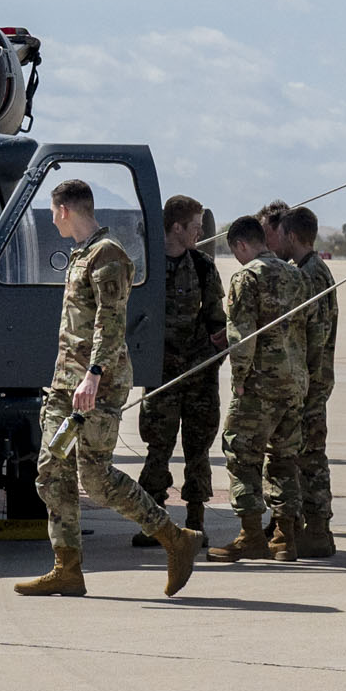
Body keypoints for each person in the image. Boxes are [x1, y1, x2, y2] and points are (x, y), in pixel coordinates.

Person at [15, 178, 200, 597]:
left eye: (53, 212)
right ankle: (67, 567)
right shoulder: (81, 254)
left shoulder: (108, 256)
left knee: (94, 479)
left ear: (64, 210)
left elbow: (110, 323)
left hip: (95, 385)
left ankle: (174, 538)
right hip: (67, 383)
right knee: (50, 472)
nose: (53, 219)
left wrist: (93, 377)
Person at [206, 207, 308, 564]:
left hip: (260, 384)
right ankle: (285, 538)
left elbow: (243, 336)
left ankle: (251, 534)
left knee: (241, 454)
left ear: (240, 245)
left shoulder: (247, 277)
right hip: (294, 383)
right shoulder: (296, 277)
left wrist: (238, 380)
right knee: (283, 460)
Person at [132, 195, 224, 549]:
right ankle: (153, 523)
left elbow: (218, 322)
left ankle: (196, 523)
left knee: (198, 452)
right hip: (161, 377)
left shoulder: (202, 267)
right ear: (176, 227)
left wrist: (212, 357)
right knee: (157, 449)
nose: (201, 232)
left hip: (199, 377)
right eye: (196, 227)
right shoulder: (146, 270)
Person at [280, 204, 340, 559]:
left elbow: (312, 336)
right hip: (312, 379)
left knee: (310, 457)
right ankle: (315, 528)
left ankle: (317, 529)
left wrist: (301, 381)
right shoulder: (311, 270)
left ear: (291, 235)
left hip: (310, 381)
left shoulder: (310, 276)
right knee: (308, 454)